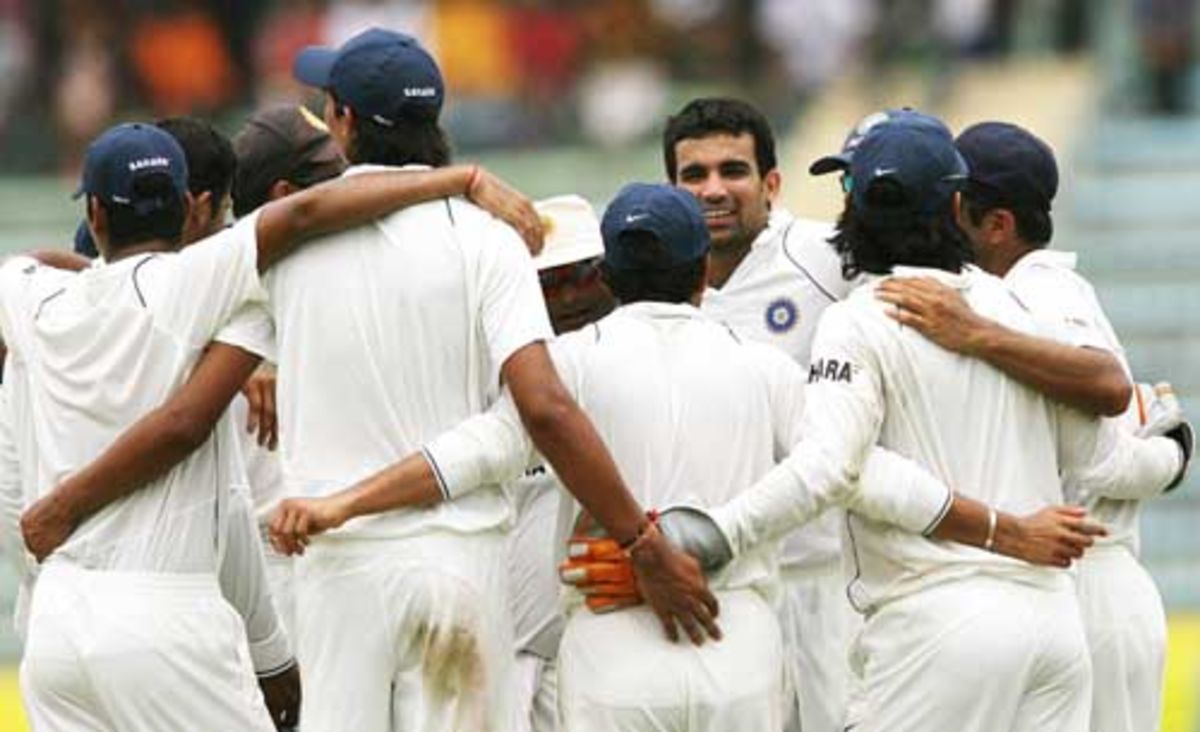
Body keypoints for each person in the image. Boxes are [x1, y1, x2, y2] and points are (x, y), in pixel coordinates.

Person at [269, 180, 1112, 732]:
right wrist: (717, 544)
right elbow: (845, 471)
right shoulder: (764, 367)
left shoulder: (565, 365)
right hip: (737, 638)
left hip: (611, 638)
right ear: (702, 274)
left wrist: (343, 504)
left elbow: (475, 452)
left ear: (607, 272)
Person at [9, 120, 544, 731]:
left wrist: (90, 279)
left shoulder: (33, 296)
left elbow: (29, 262)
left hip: (54, 622)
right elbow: (304, 216)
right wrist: (462, 179)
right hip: (164, 613)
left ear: (96, 213)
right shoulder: (205, 280)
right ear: (191, 207)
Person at [276, 28, 717, 732]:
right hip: (459, 559)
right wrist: (642, 541)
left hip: (340, 564)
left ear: (343, 121)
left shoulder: (289, 243)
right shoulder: (487, 238)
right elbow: (542, 406)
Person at [713, 111, 1190, 732]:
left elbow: (833, 468)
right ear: (955, 204)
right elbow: (1096, 454)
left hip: (937, 626)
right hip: (1052, 622)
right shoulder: (1013, 304)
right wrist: (1173, 452)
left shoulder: (860, 320)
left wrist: (714, 534)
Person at [875, 121, 1190, 732]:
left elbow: (1100, 434)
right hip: (1053, 588)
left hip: (1090, 580)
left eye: (955, 205)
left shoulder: (1040, 292)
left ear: (997, 225)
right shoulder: (1007, 293)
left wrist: (1173, 454)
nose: (941, 217)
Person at [661, 96, 853, 731]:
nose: (714, 190)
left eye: (732, 171)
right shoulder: (654, 280)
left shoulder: (828, 259)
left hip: (828, 580)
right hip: (718, 593)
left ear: (771, 183)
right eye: (695, 175)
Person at [509, 194, 614, 732]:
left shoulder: (632, 360)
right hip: (509, 660)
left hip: (612, 648)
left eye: (585, 274)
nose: (571, 295)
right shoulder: (494, 377)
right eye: (550, 281)